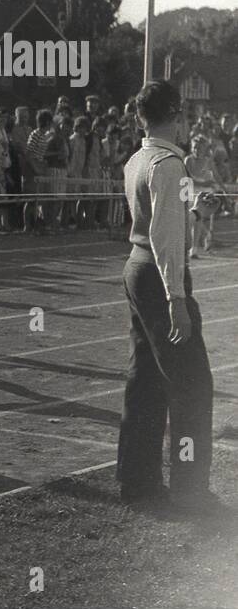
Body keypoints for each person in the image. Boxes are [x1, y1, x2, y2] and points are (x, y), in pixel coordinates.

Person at [117, 81, 217, 511]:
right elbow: (165, 236)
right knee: (192, 383)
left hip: (137, 267)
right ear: (174, 115)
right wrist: (177, 298)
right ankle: (189, 489)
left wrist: (195, 210)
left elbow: (159, 224)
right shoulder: (170, 163)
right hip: (158, 277)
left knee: (146, 380)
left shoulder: (137, 159)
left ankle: (137, 480)